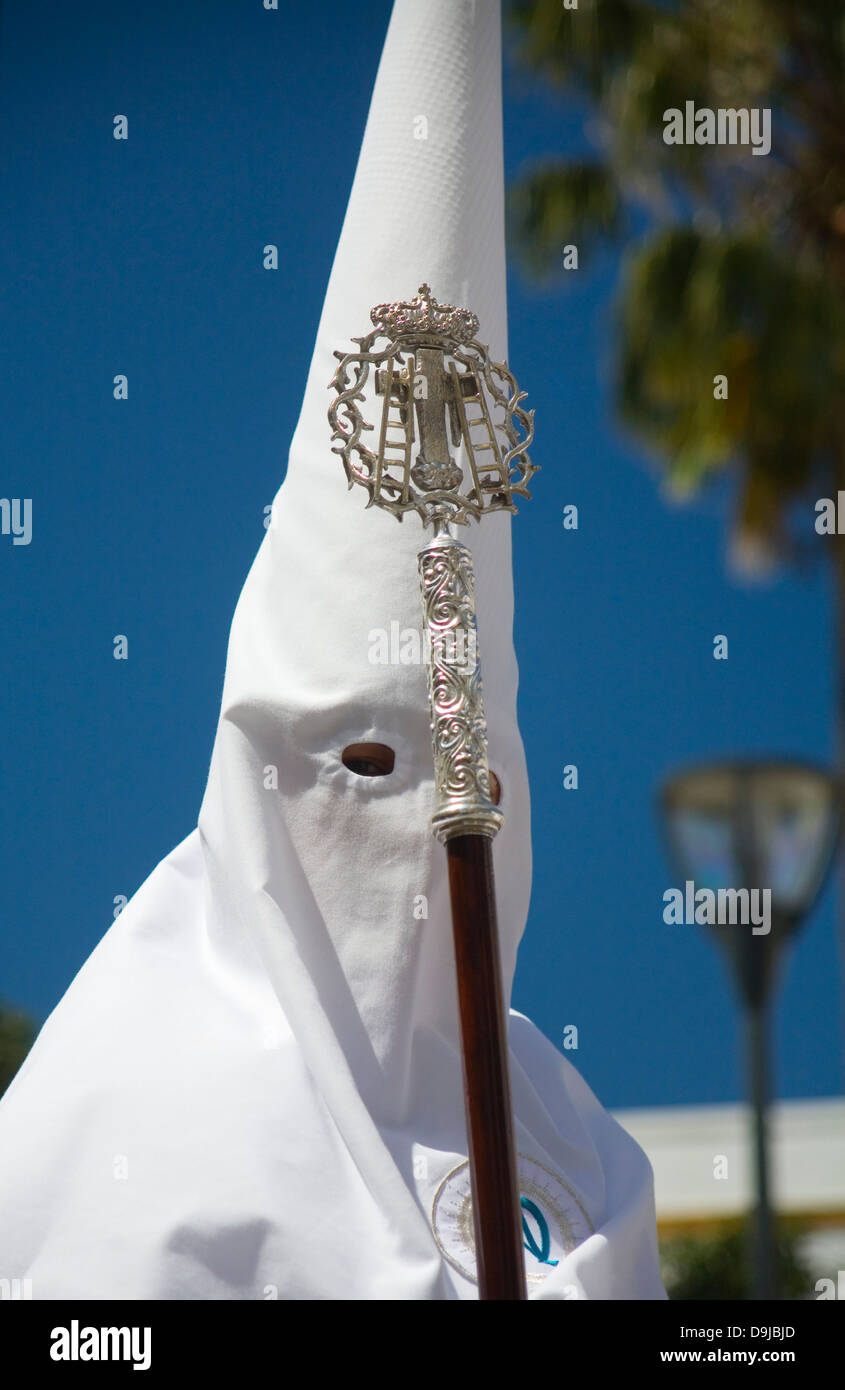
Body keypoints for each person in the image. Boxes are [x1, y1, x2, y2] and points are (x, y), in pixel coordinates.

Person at [0, 0, 666, 1300]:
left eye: (449, 770)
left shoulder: (572, 1138)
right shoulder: (115, 1095)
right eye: (355, 756)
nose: (412, 809)